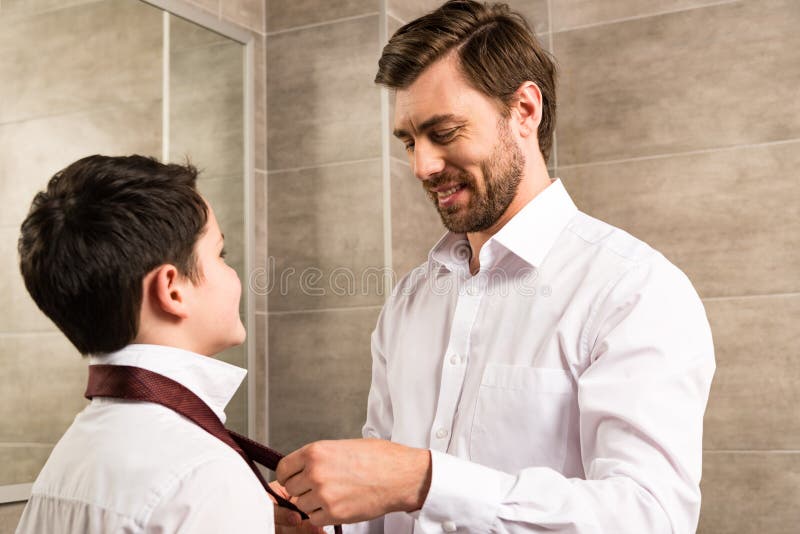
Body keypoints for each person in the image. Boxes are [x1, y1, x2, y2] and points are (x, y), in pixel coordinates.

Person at [274, 1, 716, 533]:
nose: (422, 165)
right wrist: (330, 526)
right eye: (410, 141)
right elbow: (385, 500)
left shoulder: (633, 291)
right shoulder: (411, 299)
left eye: (444, 132)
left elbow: (651, 517)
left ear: (524, 111)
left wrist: (425, 480)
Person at [15, 155, 275, 533]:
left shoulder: (66, 464)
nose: (233, 274)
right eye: (220, 255)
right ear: (171, 288)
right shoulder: (206, 477)